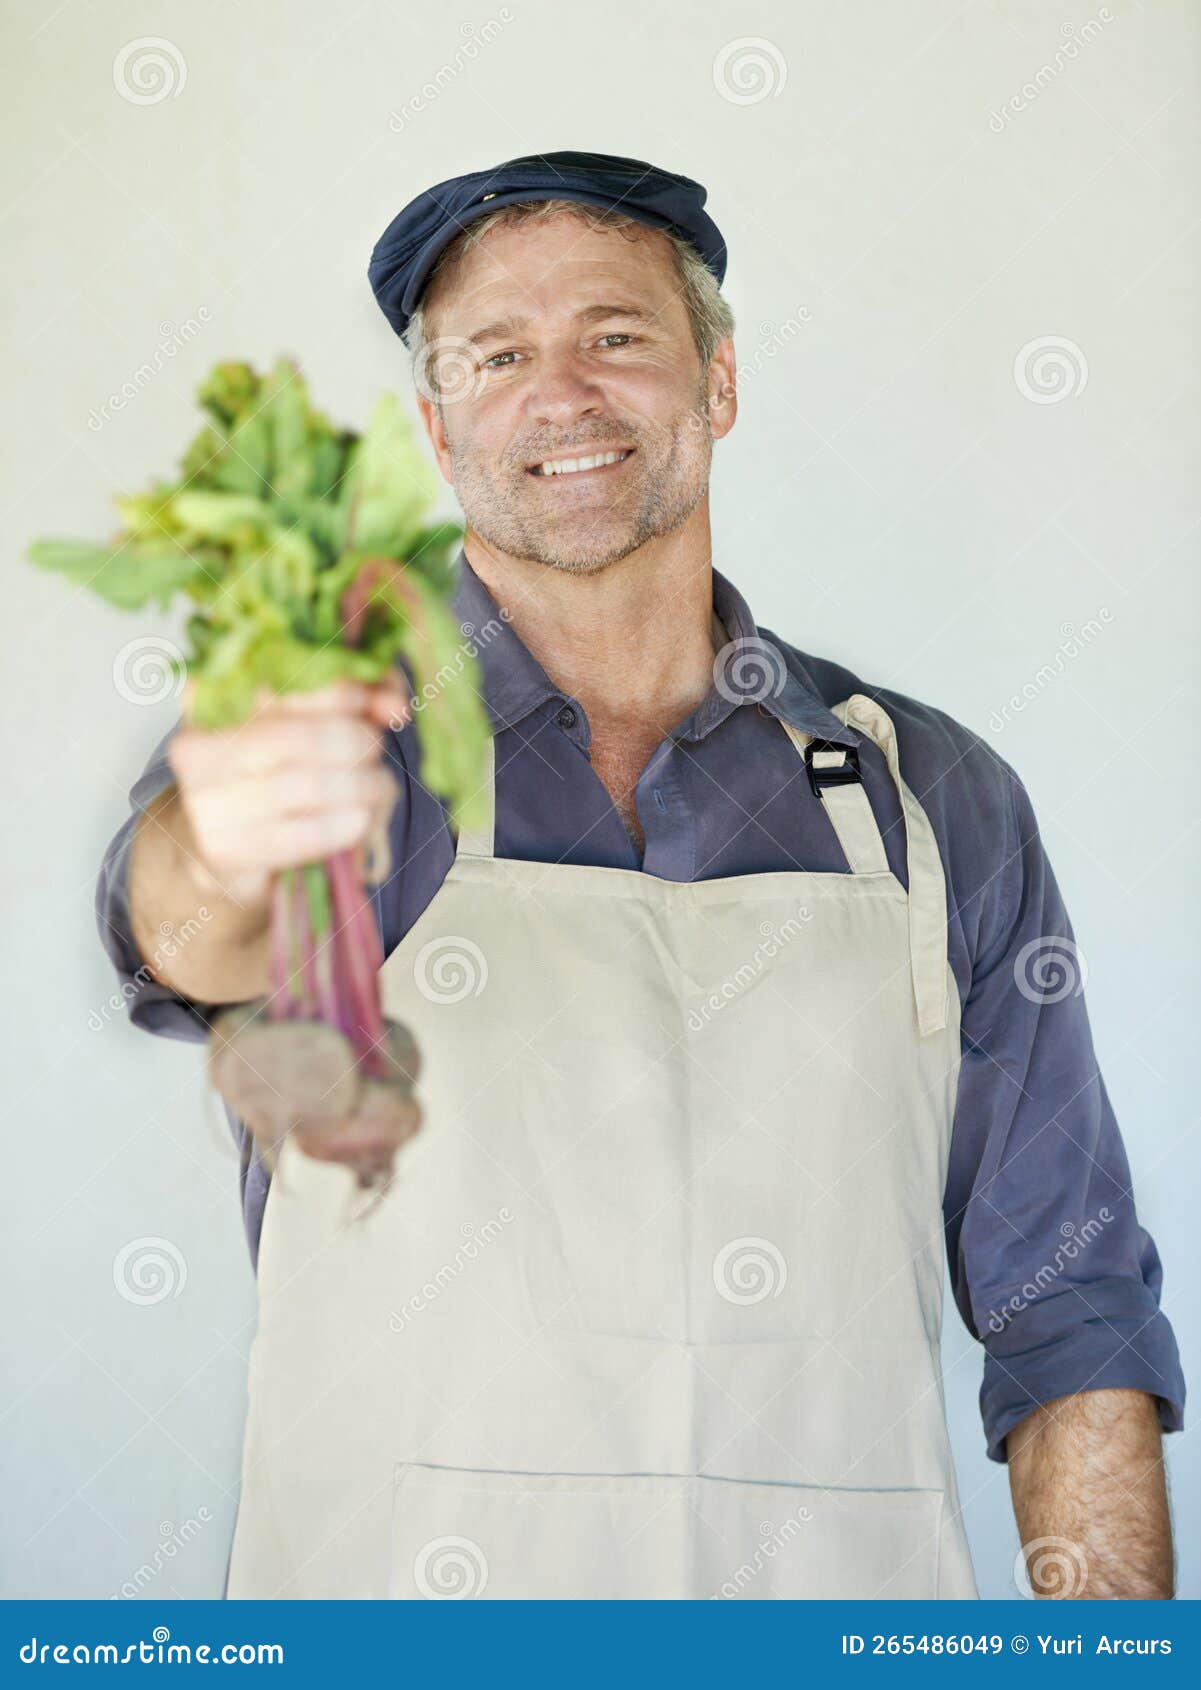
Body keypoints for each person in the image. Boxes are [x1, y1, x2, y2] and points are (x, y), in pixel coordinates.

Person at [98, 151, 1183, 1600]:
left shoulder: (931, 802)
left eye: (615, 336)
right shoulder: (349, 746)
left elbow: (1072, 1313)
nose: (562, 396)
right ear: (437, 427)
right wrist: (223, 834)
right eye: (497, 356)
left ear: (715, 383)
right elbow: (187, 935)